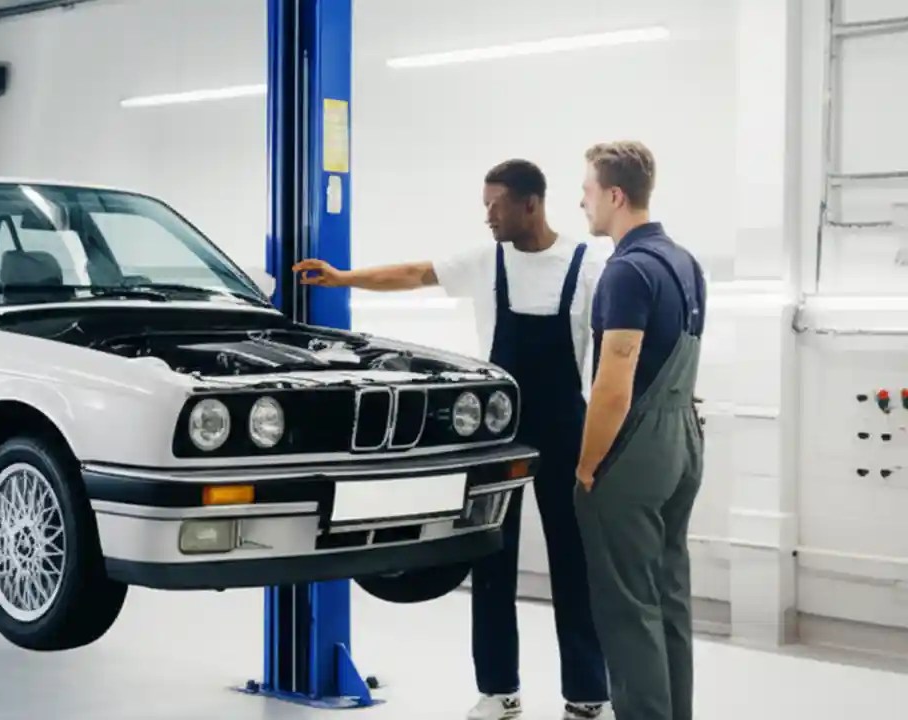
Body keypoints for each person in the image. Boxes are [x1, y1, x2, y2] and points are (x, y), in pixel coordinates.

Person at [294, 159, 613, 720]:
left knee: (574, 561)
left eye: (496, 204)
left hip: (566, 428)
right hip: (499, 430)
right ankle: (499, 691)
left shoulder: (587, 265)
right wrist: (343, 277)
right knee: (492, 557)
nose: (487, 216)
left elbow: (615, 351)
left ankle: (588, 695)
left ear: (531, 204)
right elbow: (416, 273)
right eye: (485, 204)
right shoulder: (485, 260)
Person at [573, 140, 706, 720]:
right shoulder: (685, 262)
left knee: (628, 610)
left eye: (587, 192)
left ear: (615, 195)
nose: (583, 203)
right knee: (669, 597)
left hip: (636, 451)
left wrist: (586, 465)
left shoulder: (625, 272)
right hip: (684, 442)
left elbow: (614, 382)